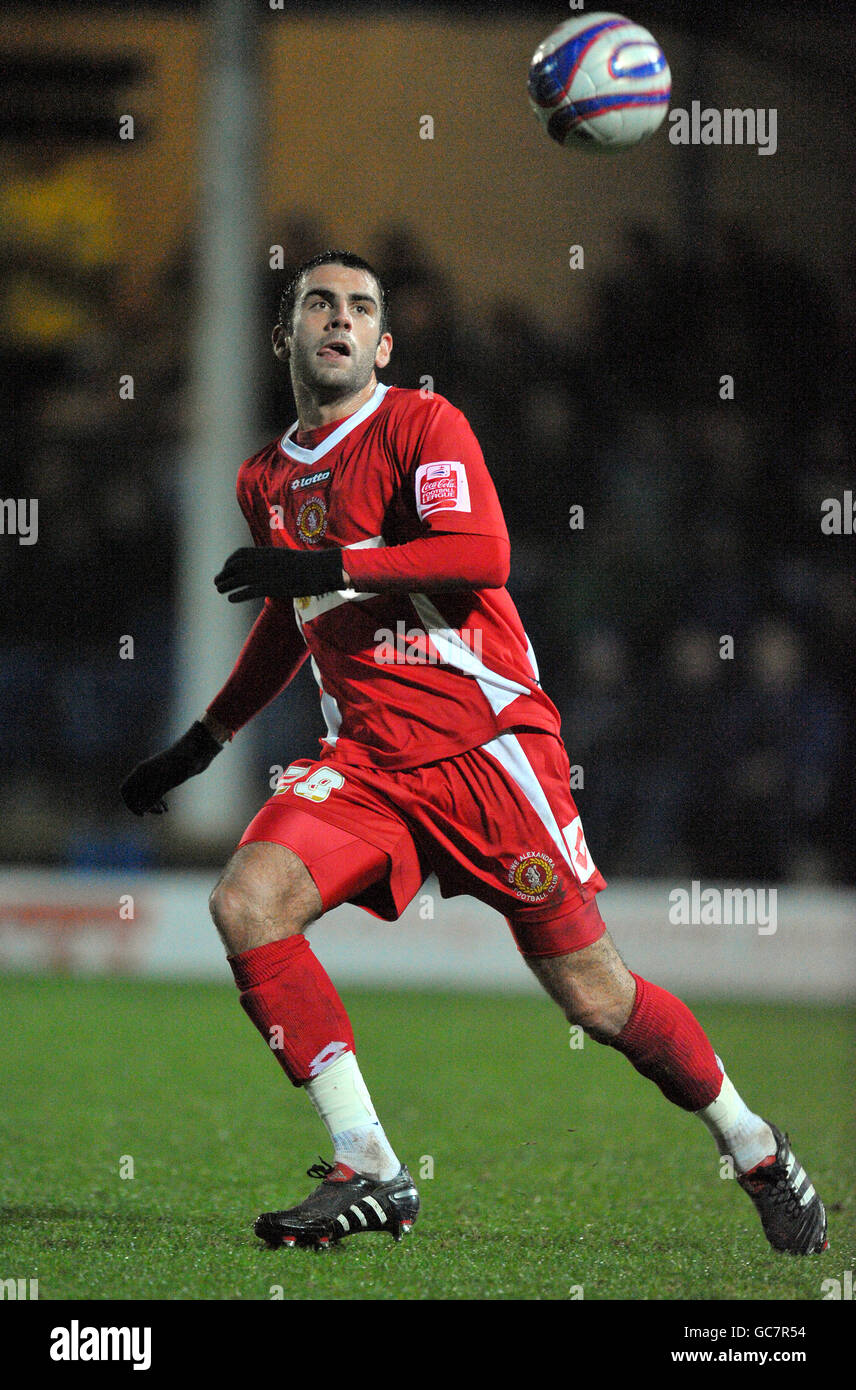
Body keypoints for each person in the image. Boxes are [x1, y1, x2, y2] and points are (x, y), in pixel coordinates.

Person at [121, 250, 827, 1255]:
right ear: (284, 335)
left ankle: (755, 1146)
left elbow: (476, 555)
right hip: (367, 764)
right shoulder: (264, 477)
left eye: (361, 308)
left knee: (597, 995)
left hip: (487, 751)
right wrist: (203, 738)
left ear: (383, 343)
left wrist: (323, 560)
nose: (340, 318)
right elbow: (293, 613)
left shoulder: (421, 425)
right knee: (246, 901)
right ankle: (368, 1162)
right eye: (318, 303)